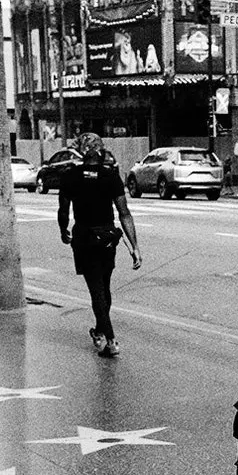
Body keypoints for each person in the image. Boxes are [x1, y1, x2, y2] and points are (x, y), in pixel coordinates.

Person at [57, 133, 140, 358]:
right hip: (107, 239)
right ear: (101, 150)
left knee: (96, 292)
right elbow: (124, 213)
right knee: (104, 287)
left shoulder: (70, 176)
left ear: (81, 152)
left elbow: (63, 211)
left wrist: (63, 230)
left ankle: (110, 339)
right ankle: (100, 331)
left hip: (84, 237)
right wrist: (134, 246)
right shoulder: (110, 176)